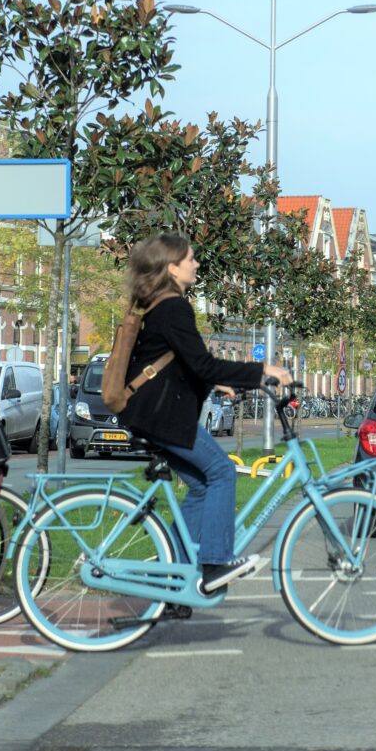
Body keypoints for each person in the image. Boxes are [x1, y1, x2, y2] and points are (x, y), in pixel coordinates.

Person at [118, 232, 292, 593]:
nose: (197, 264)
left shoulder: (160, 305)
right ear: (172, 267)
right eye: (191, 259)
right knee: (222, 471)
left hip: (152, 413)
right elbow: (202, 363)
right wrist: (262, 372)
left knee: (200, 487)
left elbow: (179, 366)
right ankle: (214, 564)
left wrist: (216, 384)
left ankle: (174, 582)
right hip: (163, 416)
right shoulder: (173, 307)